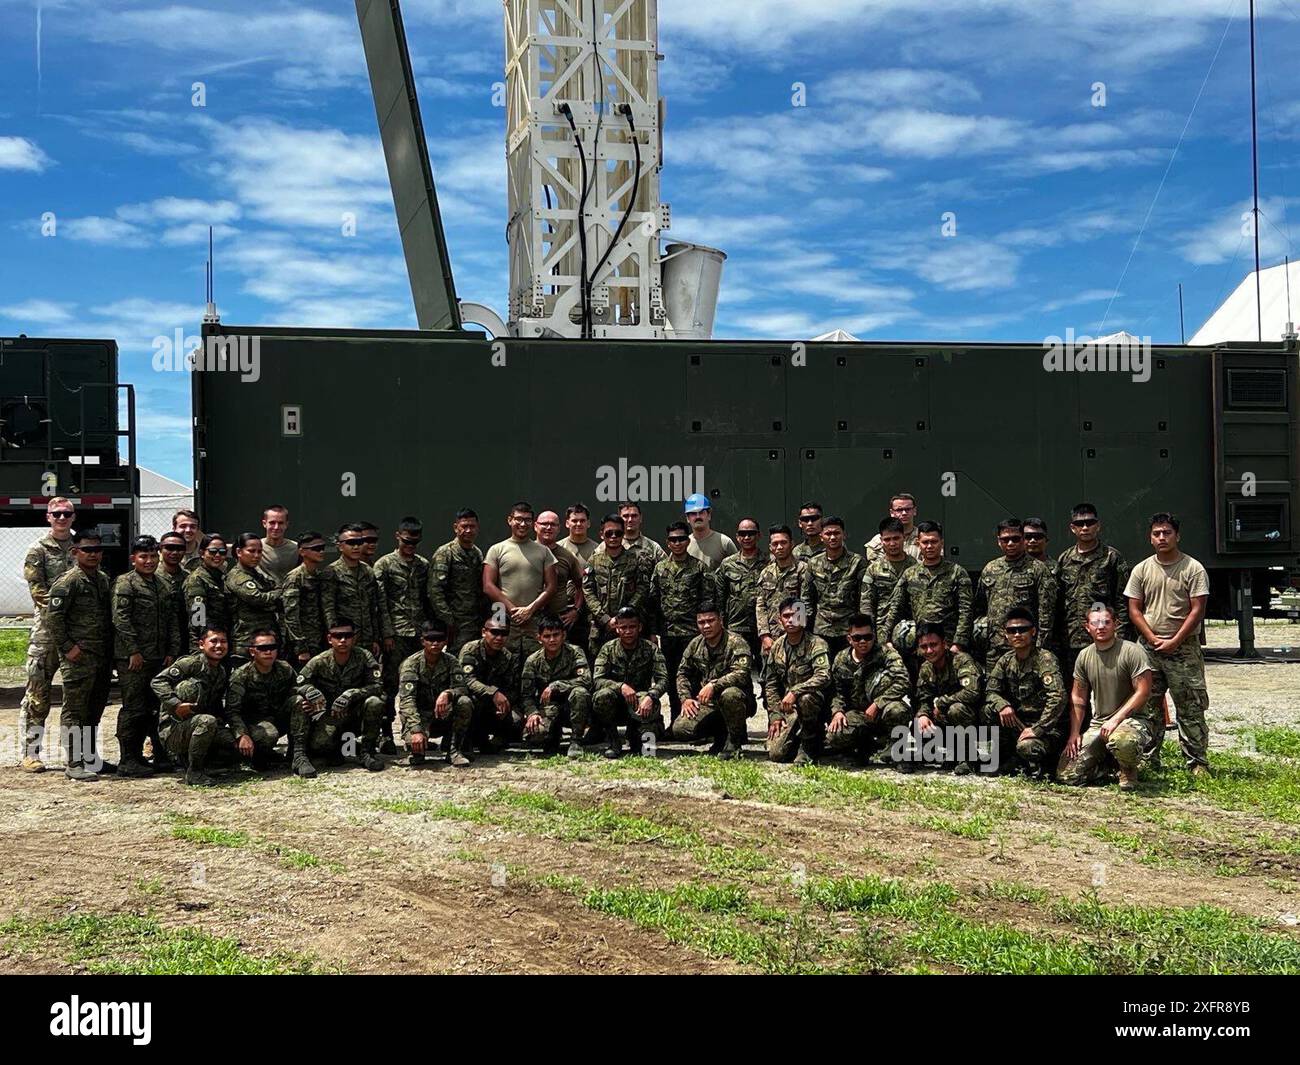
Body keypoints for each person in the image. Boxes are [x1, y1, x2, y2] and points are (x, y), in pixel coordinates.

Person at [1124, 512, 1212, 776]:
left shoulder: (1192, 568)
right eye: (1156, 533)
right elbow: (1134, 609)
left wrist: (1175, 640)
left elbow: (1197, 610)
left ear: (1177, 536)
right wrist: (1151, 638)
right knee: (1148, 706)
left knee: (1190, 706)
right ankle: (1148, 760)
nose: (1161, 537)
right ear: (1150, 538)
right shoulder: (1142, 570)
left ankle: (1196, 762)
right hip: (1149, 649)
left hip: (1183, 649)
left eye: (1167, 533)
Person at [1057, 603, 1155, 791]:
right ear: (1087, 627)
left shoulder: (1132, 651)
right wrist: (1075, 733)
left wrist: (1116, 720)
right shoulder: (1084, 656)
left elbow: (1143, 691)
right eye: (1095, 623)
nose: (1101, 627)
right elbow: (1078, 698)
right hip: (1100, 724)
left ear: (1115, 624)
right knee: (1066, 775)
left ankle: (1128, 769)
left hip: (1133, 720)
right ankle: (1109, 766)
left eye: (1106, 622)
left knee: (1123, 741)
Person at [46, 529, 114, 781]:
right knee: (74, 710)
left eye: (97, 550)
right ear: (75, 552)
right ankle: (73, 762)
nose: (93, 554)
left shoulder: (103, 580)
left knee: (94, 710)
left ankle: (90, 757)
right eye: (87, 550)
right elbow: (53, 618)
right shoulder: (68, 581)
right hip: (78, 657)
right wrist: (67, 647)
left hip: (100, 656)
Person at [112, 535, 181, 776]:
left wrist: (172, 650)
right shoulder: (126, 583)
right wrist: (133, 651)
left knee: (156, 707)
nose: (149, 561)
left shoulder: (162, 583)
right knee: (134, 708)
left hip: (159, 657)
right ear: (134, 559)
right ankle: (128, 758)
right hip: (134, 658)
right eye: (144, 556)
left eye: (153, 556)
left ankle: (159, 755)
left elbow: (172, 619)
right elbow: (121, 619)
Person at [152, 626, 251, 786]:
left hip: (202, 725)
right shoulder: (190, 663)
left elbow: (218, 706)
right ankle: (194, 772)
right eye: (214, 641)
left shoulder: (220, 672)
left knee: (234, 742)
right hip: (174, 729)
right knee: (196, 701)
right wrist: (176, 704)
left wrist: (238, 733)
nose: (219, 646)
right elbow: (158, 681)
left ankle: (203, 762)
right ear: (201, 644)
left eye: (223, 642)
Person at [17, 497, 75, 772]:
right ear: (48, 517)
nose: (62, 519)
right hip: (47, 633)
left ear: (73, 517)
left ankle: (76, 753)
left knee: (77, 696)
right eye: (57, 514)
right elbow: (38, 591)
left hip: (78, 632)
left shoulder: (82, 547)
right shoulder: (37, 550)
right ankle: (31, 752)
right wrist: (62, 612)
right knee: (38, 693)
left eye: (66, 514)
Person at [980, 607, 1067, 778]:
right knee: (988, 711)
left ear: (1033, 631)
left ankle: (1042, 762)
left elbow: (1058, 697)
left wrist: (1038, 729)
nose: (1017, 634)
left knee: (1027, 747)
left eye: (1022, 629)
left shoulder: (1044, 659)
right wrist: (1002, 705)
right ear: (1006, 634)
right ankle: (1010, 759)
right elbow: (990, 690)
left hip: (1046, 727)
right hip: (1019, 722)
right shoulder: (1006, 660)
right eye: (1012, 631)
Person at [294, 619, 386, 772]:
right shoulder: (319, 660)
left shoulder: (364, 656)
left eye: (347, 635)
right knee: (320, 744)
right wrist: (310, 692)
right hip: (330, 715)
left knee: (376, 702)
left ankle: (366, 753)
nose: (343, 640)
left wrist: (352, 694)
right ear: (329, 639)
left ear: (354, 638)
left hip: (355, 712)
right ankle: (341, 748)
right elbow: (299, 683)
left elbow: (378, 685)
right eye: (338, 636)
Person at [1055, 502, 1131, 682]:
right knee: (1077, 692)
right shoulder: (1065, 559)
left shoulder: (1111, 557)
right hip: (1072, 639)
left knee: (1110, 690)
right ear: (1072, 528)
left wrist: (1120, 636)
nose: (1085, 527)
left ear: (1098, 525)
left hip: (1104, 638)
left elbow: (1122, 599)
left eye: (1089, 522)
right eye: (1080, 524)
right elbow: (1058, 602)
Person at [373, 517, 431, 752]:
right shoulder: (384, 565)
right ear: (398, 537)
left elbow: (427, 600)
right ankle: (386, 734)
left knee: (417, 684)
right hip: (395, 634)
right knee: (390, 684)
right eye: (407, 541)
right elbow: (381, 603)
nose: (410, 546)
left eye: (415, 542)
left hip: (418, 635)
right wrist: (386, 634)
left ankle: (414, 732)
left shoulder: (422, 565)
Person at [670, 603, 754, 759]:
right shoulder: (695, 644)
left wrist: (714, 685)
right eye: (701, 622)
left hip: (738, 699)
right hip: (708, 703)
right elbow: (682, 673)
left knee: (730, 695)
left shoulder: (736, 642)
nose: (706, 626)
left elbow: (742, 674)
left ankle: (734, 741)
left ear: (720, 620)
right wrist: (686, 698)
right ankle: (720, 735)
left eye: (711, 620)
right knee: (680, 729)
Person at [652, 520, 715, 724]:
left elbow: (708, 601)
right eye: (673, 539)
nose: (677, 543)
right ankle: (675, 720)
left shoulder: (699, 568)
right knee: (672, 679)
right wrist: (654, 631)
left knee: (694, 677)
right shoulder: (660, 569)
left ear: (687, 541)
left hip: (693, 633)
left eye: (681, 539)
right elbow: (653, 601)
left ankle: (695, 722)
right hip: (669, 634)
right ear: (667, 542)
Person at [880, 520, 973, 659]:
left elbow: (966, 610)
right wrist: (885, 639)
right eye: (925, 542)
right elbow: (895, 607)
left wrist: (958, 643)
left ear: (941, 543)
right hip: (920, 645)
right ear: (918, 544)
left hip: (948, 644)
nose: (929, 546)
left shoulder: (957, 572)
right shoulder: (910, 574)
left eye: (934, 542)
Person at [827, 614, 911, 765]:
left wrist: (878, 704)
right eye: (857, 638)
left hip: (884, 711)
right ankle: (865, 747)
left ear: (874, 636)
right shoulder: (841, 660)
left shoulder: (887, 654)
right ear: (849, 639)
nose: (863, 642)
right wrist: (837, 711)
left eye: (868, 637)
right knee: (835, 735)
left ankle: (899, 752)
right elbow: (837, 691)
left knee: (898, 710)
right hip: (860, 714)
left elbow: (903, 681)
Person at [972, 518, 1057, 665]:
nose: (1010, 543)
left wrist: (1040, 648)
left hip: (1026, 649)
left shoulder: (1038, 569)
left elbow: (1046, 614)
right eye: (1006, 539)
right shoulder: (990, 569)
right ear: (999, 541)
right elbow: (979, 607)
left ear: (1023, 539)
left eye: (1015, 539)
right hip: (995, 648)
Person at [483, 501, 557, 666]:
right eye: (518, 519)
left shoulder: (543, 551)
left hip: (534, 617)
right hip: (502, 615)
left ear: (533, 523)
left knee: (536, 664)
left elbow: (551, 586)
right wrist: (513, 610)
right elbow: (488, 585)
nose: (523, 524)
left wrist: (530, 609)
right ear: (510, 520)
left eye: (527, 520)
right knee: (502, 663)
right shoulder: (497, 549)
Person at [591, 607, 668, 757]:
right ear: (617, 629)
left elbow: (663, 679)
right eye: (623, 627)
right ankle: (614, 741)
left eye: (632, 627)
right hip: (615, 704)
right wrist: (620, 687)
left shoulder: (651, 649)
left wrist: (651, 696)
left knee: (647, 752)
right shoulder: (607, 649)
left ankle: (638, 736)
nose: (628, 631)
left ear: (639, 627)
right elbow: (597, 680)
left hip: (640, 705)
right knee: (602, 696)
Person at [764, 596, 832, 765]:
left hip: (815, 704)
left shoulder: (817, 644)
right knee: (777, 755)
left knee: (806, 698)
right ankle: (799, 740)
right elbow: (771, 684)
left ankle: (809, 745)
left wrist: (796, 691)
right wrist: (775, 715)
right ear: (780, 620)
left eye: (796, 615)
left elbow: (824, 676)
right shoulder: (777, 647)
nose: (791, 620)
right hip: (789, 708)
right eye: (786, 616)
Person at [912, 623, 984, 774]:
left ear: (944, 644)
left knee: (956, 709)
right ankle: (951, 753)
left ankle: (968, 757)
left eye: (933, 645)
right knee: (918, 722)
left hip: (975, 719)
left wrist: (942, 702)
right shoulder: (926, 668)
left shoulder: (961, 661)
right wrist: (923, 715)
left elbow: (972, 692)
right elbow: (924, 698)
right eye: (924, 647)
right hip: (947, 718)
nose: (929, 650)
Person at [398, 621, 472, 768]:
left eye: (439, 639)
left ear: (445, 641)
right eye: (430, 639)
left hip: (444, 715)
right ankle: (417, 753)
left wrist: (448, 693)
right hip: (420, 716)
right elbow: (407, 700)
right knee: (413, 741)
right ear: (422, 641)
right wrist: (416, 730)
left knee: (465, 702)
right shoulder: (411, 664)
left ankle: (454, 751)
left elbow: (462, 688)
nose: (435, 643)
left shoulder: (451, 661)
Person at [226, 629, 303, 767]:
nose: (268, 652)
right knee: (268, 735)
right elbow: (232, 711)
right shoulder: (241, 676)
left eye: (272, 648)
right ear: (252, 651)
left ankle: (297, 753)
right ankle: (257, 757)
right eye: (262, 648)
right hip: (254, 724)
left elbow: (297, 690)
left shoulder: (285, 668)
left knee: (299, 701)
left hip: (278, 717)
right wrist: (242, 735)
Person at [519, 615, 594, 757]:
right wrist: (532, 713)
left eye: (556, 635)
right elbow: (526, 695)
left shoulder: (574, 652)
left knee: (580, 693)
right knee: (535, 735)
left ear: (563, 635)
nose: (552, 640)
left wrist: (557, 685)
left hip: (573, 706)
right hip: (549, 708)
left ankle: (576, 741)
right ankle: (552, 736)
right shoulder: (533, 661)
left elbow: (586, 680)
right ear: (539, 638)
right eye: (547, 636)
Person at [582, 513, 653, 652]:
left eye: (618, 533)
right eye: (609, 533)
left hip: (630, 627)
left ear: (623, 533)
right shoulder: (594, 561)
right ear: (601, 535)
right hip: (601, 627)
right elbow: (588, 591)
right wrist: (605, 619)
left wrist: (624, 616)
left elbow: (643, 588)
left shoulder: (637, 560)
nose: (613, 537)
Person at [800, 516, 867, 658]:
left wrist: (862, 627)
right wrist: (802, 628)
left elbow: (864, 597)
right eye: (828, 534)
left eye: (836, 533)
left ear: (844, 535)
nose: (832, 537)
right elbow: (806, 597)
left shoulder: (857, 562)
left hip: (848, 628)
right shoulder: (813, 563)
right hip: (821, 628)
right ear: (821, 536)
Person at [455, 619, 520, 754]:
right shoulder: (470, 650)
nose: (499, 638)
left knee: (517, 719)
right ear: (484, 632)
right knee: (467, 703)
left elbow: (511, 686)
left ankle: (498, 738)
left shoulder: (507, 656)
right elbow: (468, 680)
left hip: (494, 704)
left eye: (504, 634)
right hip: (474, 699)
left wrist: (505, 704)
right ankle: (466, 740)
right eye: (494, 633)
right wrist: (493, 693)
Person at [429, 508, 486, 654]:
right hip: (455, 624)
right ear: (456, 528)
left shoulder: (477, 553)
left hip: (474, 621)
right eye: (464, 526)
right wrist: (448, 621)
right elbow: (435, 590)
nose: (468, 530)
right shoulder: (445, 553)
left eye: (472, 526)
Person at [330, 523, 391, 658]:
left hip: (368, 639)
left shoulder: (368, 571)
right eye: (351, 543)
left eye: (359, 542)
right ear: (340, 546)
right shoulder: (332, 572)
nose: (356, 547)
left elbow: (374, 607)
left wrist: (375, 638)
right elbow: (328, 610)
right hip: (344, 640)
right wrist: (335, 638)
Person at [225, 533, 283, 671]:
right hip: (246, 641)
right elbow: (257, 598)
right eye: (251, 551)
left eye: (259, 551)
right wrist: (279, 594)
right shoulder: (237, 576)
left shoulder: (257, 575)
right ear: (239, 552)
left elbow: (274, 588)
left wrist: (275, 595)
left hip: (266, 638)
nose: (256, 555)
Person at [281, 532, 336, 665]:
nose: (321, 551)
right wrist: (301, 648)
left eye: (322, 547)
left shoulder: (319, 575)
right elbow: (291, 616)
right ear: (302, 552)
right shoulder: (295, 578)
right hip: (304, 644)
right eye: (316, 548)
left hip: (320, 640)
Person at [536, 510, 586, 652]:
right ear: (535, 526)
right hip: (530, 619)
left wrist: (576, 610)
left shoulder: (567, 556)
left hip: (558, 620)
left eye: (553, 524)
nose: (548, 528)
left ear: (559, 528)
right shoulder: (526, 552)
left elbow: (582, 585)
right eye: (544, 524)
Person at [715, 518, 765, 660]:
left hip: (762, 628)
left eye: (751, 533)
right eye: (743, 534)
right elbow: (720, 597)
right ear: (737, 537)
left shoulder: (769, 562)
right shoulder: (728, 564)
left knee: (766, 672)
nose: (747, 537)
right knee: (737, 670)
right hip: (736, 627)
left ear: (758, 535)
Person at [756, 525, 807, 657]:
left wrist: (796, 634)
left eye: (783, 542)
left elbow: (806, 603)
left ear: (792, 544)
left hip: (797, 637)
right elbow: (761, 606)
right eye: (775, 544)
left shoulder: (803, 570)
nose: (779, 547)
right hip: (771, 638)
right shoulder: (766, 573)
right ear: (770, 547)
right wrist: (764, 635)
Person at [862, 518, 918, 628]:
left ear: (904, 538)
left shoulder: (916, 567)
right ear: (881, 540)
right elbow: (866, 604)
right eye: (887, 540)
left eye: (896, 538)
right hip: (882, 627)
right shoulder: (873, 569)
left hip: (912, 627)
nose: (892, 543)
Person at [183, 534, 234, 651]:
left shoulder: (221, 577)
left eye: (222, 552)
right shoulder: (197, 579)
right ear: (202, 553)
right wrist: (198, 649)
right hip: (206, 644)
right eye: (212, 551)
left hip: (222, 639)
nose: (217, 555)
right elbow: (197, 618)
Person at [684, 493, 737, 570]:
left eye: (701, 512)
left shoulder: (724, 543)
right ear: (688, 518)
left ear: (709, 515)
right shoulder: (683, 545)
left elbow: (738, 570)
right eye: (693, 513)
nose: (698, 517)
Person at [864, 493, 920, 563]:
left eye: (908, 509)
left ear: (914, 511)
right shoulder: (877, 543)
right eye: (899, 510)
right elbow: (878, 570)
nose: (904, 513)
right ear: (892, 512)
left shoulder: (925, 539)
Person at [618, 502, 666, 566]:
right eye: (626, 516)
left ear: (640, 518)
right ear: (619, 519)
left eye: (634, 516)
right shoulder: (607, 547)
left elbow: (667, 570)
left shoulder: (654, 548)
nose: (630, 520)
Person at [259, 505, 298, 580]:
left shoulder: (296, 549)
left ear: (286, 524)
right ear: (264, 523)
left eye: (280, 523)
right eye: (272, 523)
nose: (276, 527)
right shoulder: (255, 548)